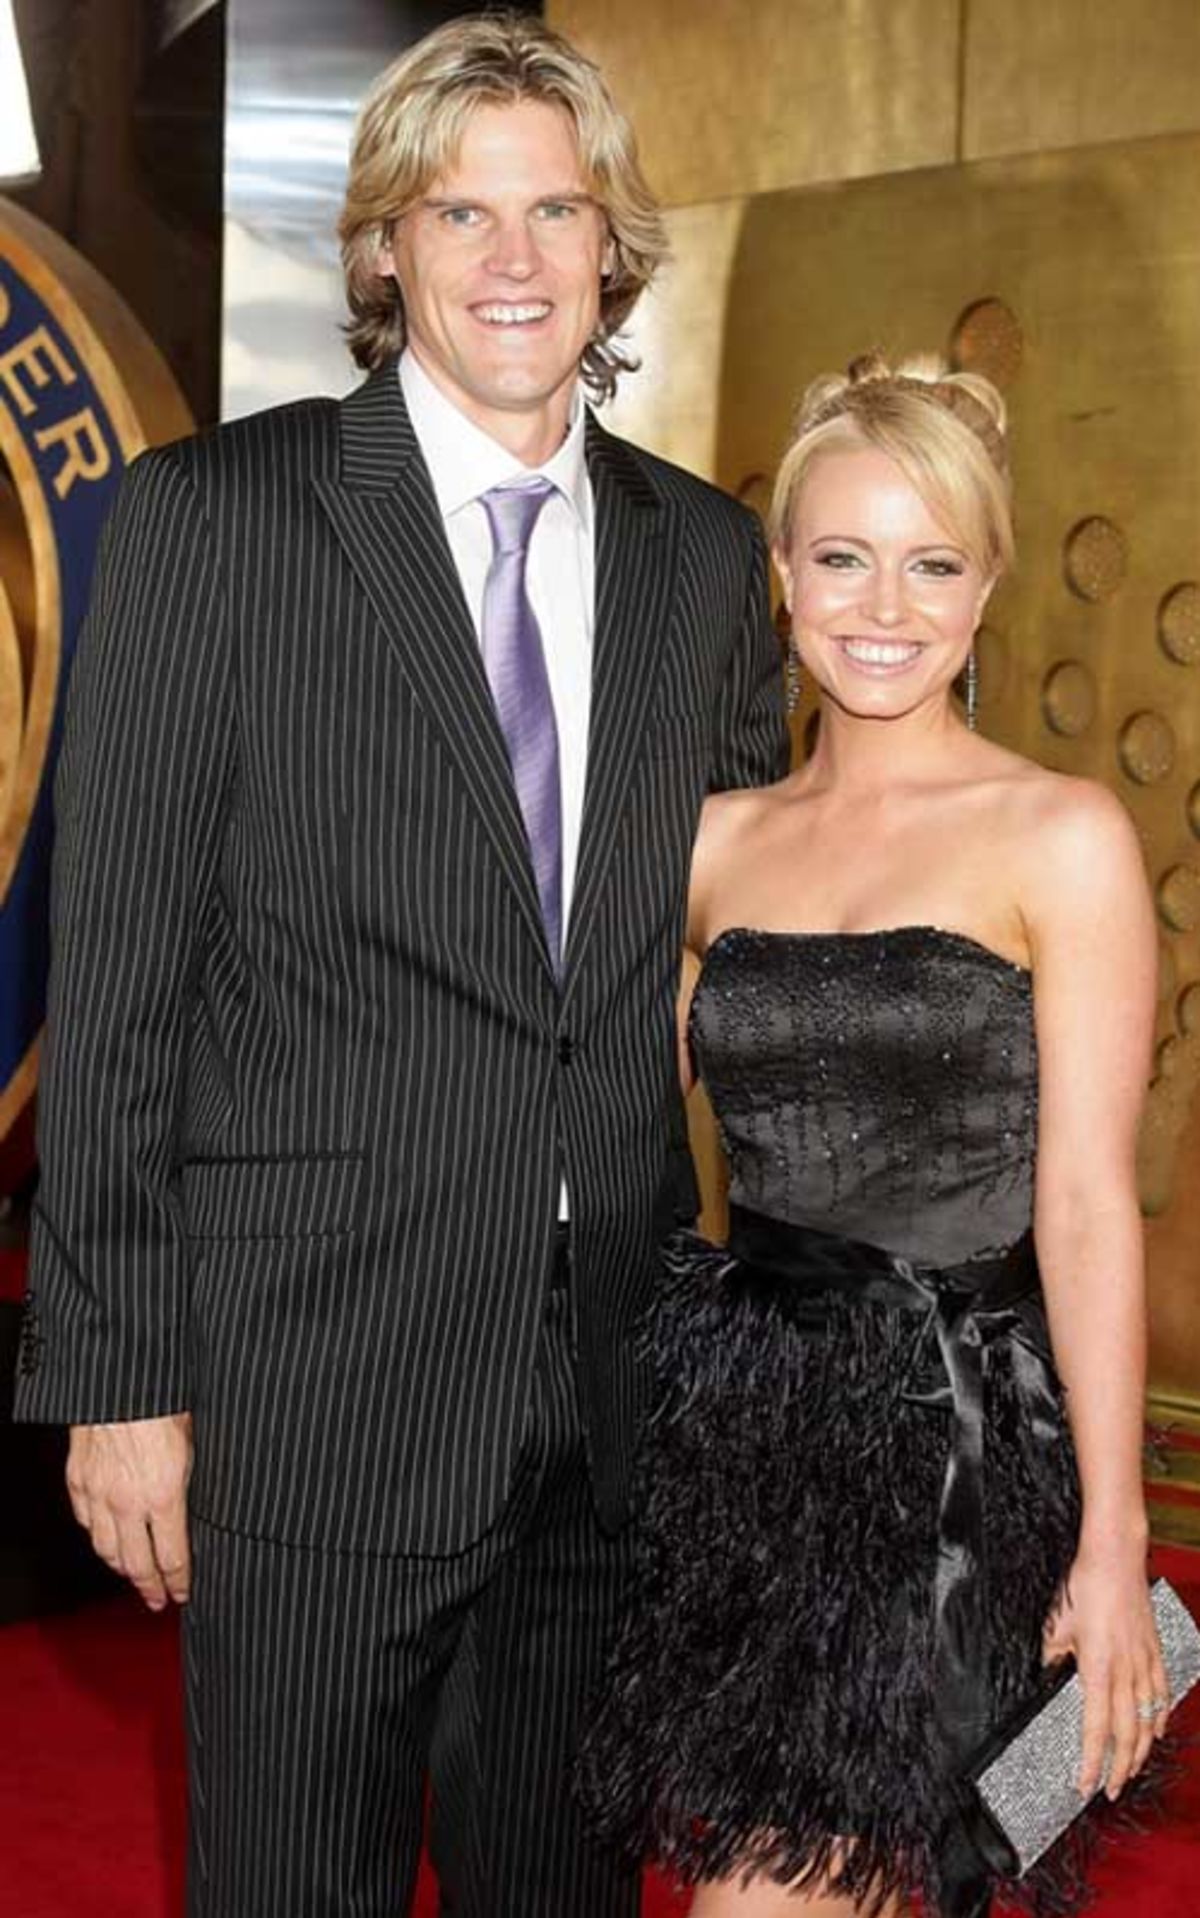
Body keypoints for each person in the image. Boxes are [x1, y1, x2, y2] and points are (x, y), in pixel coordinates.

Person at [13, 14, 788, 1917]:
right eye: (461, 211)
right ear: (383, 252)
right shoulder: (217, 522)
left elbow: (747, 949)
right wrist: (119, 1374)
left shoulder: (707, 558)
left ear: (614, 245)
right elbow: (116, 981)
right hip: (308, 1372)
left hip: (612, 1387)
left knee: (563, 1883)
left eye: (554, 208)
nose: (513, 257)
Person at [578, 352, 1169, 1917]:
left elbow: (1091, 1201)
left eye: (932, 562)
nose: (883, 603)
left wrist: (1117, 1546)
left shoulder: (1061, 835)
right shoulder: (708, 842)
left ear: (986, 591)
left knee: (904, 1881)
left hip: (972, 1468)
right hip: (753, 1461)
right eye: (842, 554)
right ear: (781, 576)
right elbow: (582, 1115)